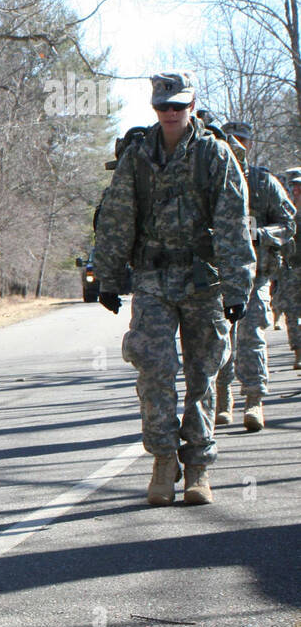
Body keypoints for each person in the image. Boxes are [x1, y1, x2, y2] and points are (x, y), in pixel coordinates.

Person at [93, 73, 254, 506]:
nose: (170, 113)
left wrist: (238, 288)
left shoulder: (214, 155)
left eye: (178, 106)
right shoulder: (137, 155)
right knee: (153, 371)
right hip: (152, 280)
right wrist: (107, 276)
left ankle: (198, 466)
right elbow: (117, 216)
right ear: (154, 107)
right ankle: (164, 460)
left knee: (203, 375)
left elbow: (233, 224)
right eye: (164, 106)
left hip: (203, 281)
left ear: (192, 106)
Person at [212, 123, 294, 430]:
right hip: (217, 278)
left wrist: (261, 234)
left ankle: (253, 401)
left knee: (252, 337)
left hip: (256, 276)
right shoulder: (212, 179)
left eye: (241, 141)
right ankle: (223, 399)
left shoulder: (263, 182)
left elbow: (288, 224)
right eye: (230, 141)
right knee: (219, 341)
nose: (236, 147)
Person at [275, 167, 301, 369]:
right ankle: (298, 353)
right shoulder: (285, 211)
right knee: (292, 313)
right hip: (290, 268)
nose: (297, 190)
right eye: (295, 186)